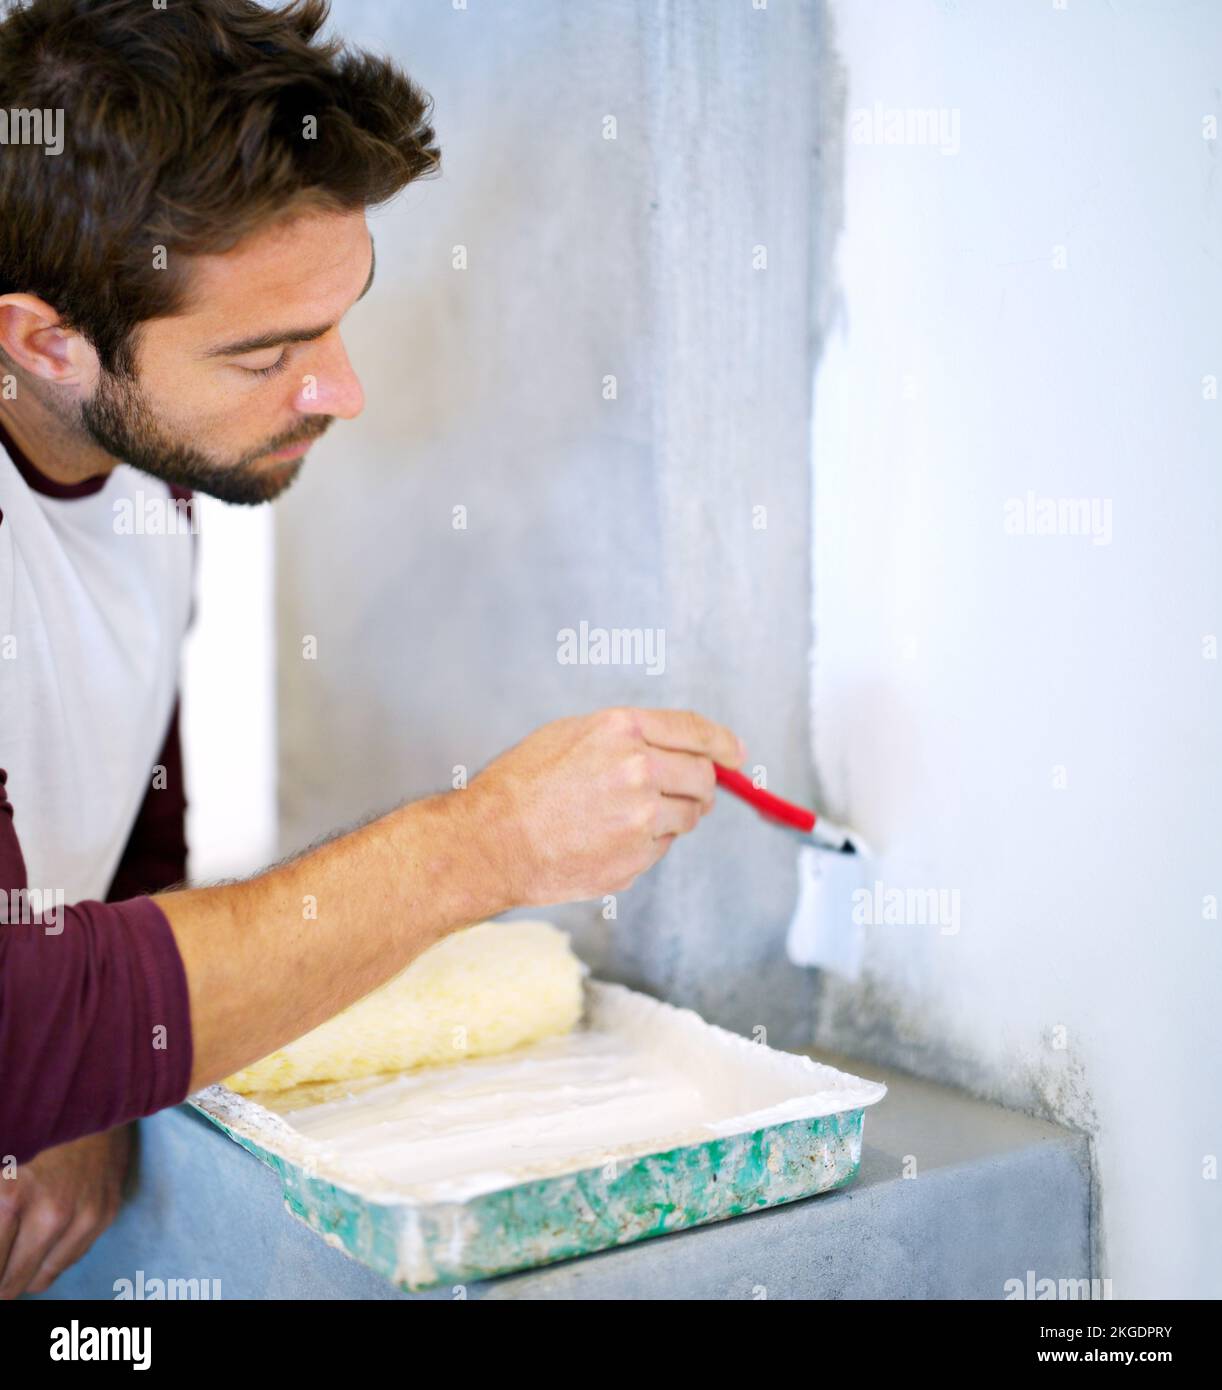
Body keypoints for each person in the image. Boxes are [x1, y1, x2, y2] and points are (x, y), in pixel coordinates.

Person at [0, 0, 745, 1296]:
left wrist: (92, 1093)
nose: (342, 388)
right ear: (44, 340)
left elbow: (128, 802)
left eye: (340, 316)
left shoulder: (149, 464)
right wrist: (490, 840)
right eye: (269, 352)